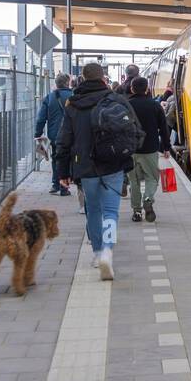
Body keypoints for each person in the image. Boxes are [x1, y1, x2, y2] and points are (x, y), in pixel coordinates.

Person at [55, 62, 138, 280]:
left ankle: (97, 252)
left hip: (85, 166)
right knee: (110, 212)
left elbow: (63, 141)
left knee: (93, 210)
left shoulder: (72, 105)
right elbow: (135, 131)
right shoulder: (117, 100)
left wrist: (62, 172)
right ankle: (108, 252)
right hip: (113, 164)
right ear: (103, 78)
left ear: (82, 78)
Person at [126, 76, 170, 223]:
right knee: (152, 178)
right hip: (150, 149)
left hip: (131, 150)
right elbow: (163, 128)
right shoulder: (155, 105)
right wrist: (166, 147)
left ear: (132, 88)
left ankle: (136, 212)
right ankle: (148, 199)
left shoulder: (126, 105)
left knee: (134, 181)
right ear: (146, 89)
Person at [35, 73, 74, 195]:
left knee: (56, 159)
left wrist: (38, 133)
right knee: (68, 159)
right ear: (68, 83)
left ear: (56, 84)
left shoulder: (50, 97)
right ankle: (65, 187)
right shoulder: (74, 96)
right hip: (72, 134)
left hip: (55, 135)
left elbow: (41, 118)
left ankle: (56, 184)